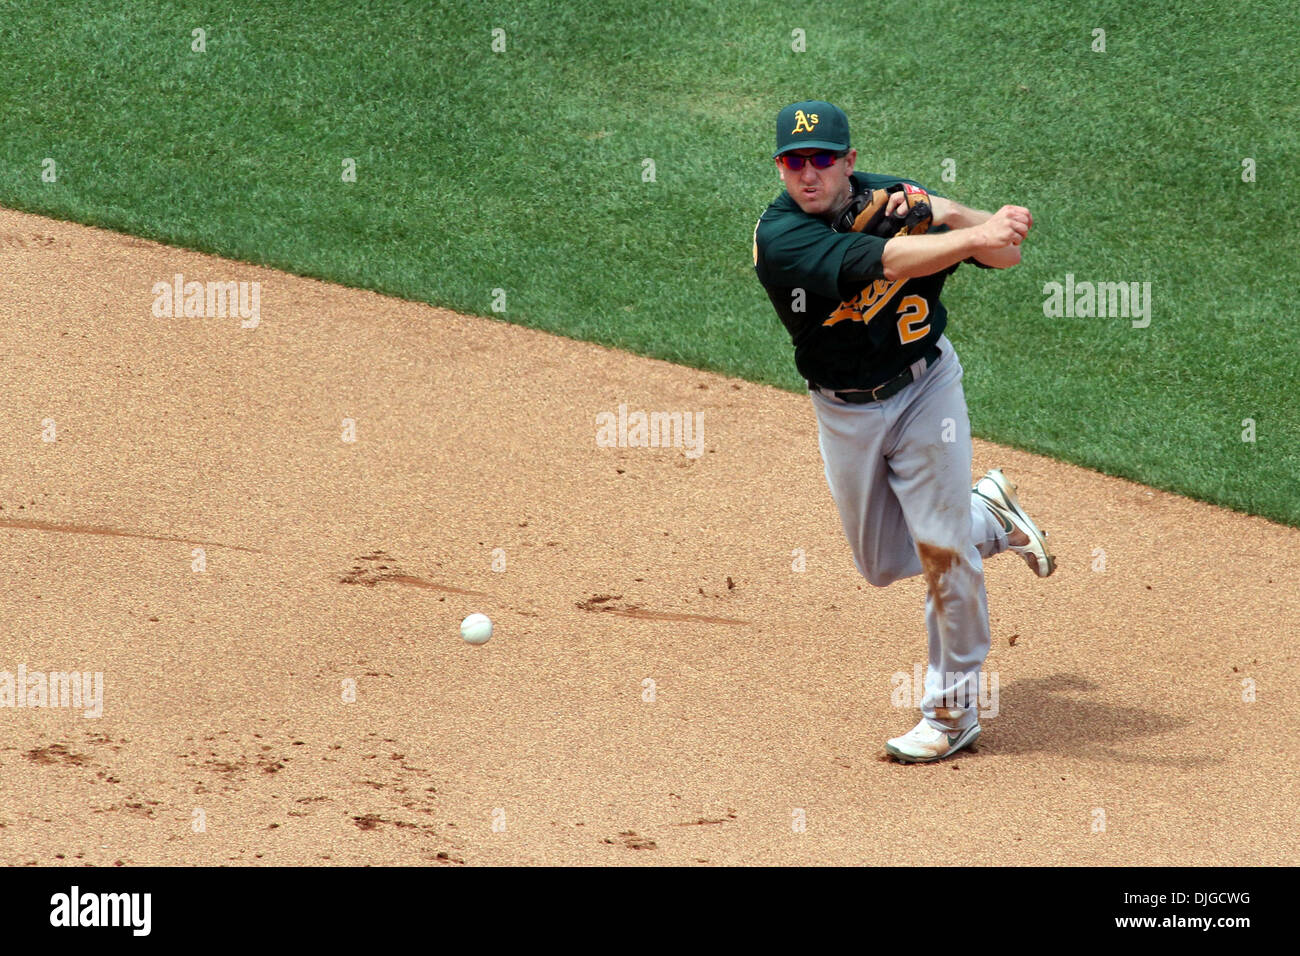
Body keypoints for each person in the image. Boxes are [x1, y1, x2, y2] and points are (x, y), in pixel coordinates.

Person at [753, 100, 1055, 763]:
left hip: (928, 392)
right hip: (846, 412)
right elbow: (886, 263)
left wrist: (963, 217)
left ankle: (951, 714)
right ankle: (993, 517)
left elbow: (1006, 257)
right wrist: (966, 232)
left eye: (823, 160)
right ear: (780, 168)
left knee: (945, 556)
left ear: (848, 162)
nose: (809, 174)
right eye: (794, 162)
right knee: (883, 562)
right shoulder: (781, 238)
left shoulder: (894, 197)